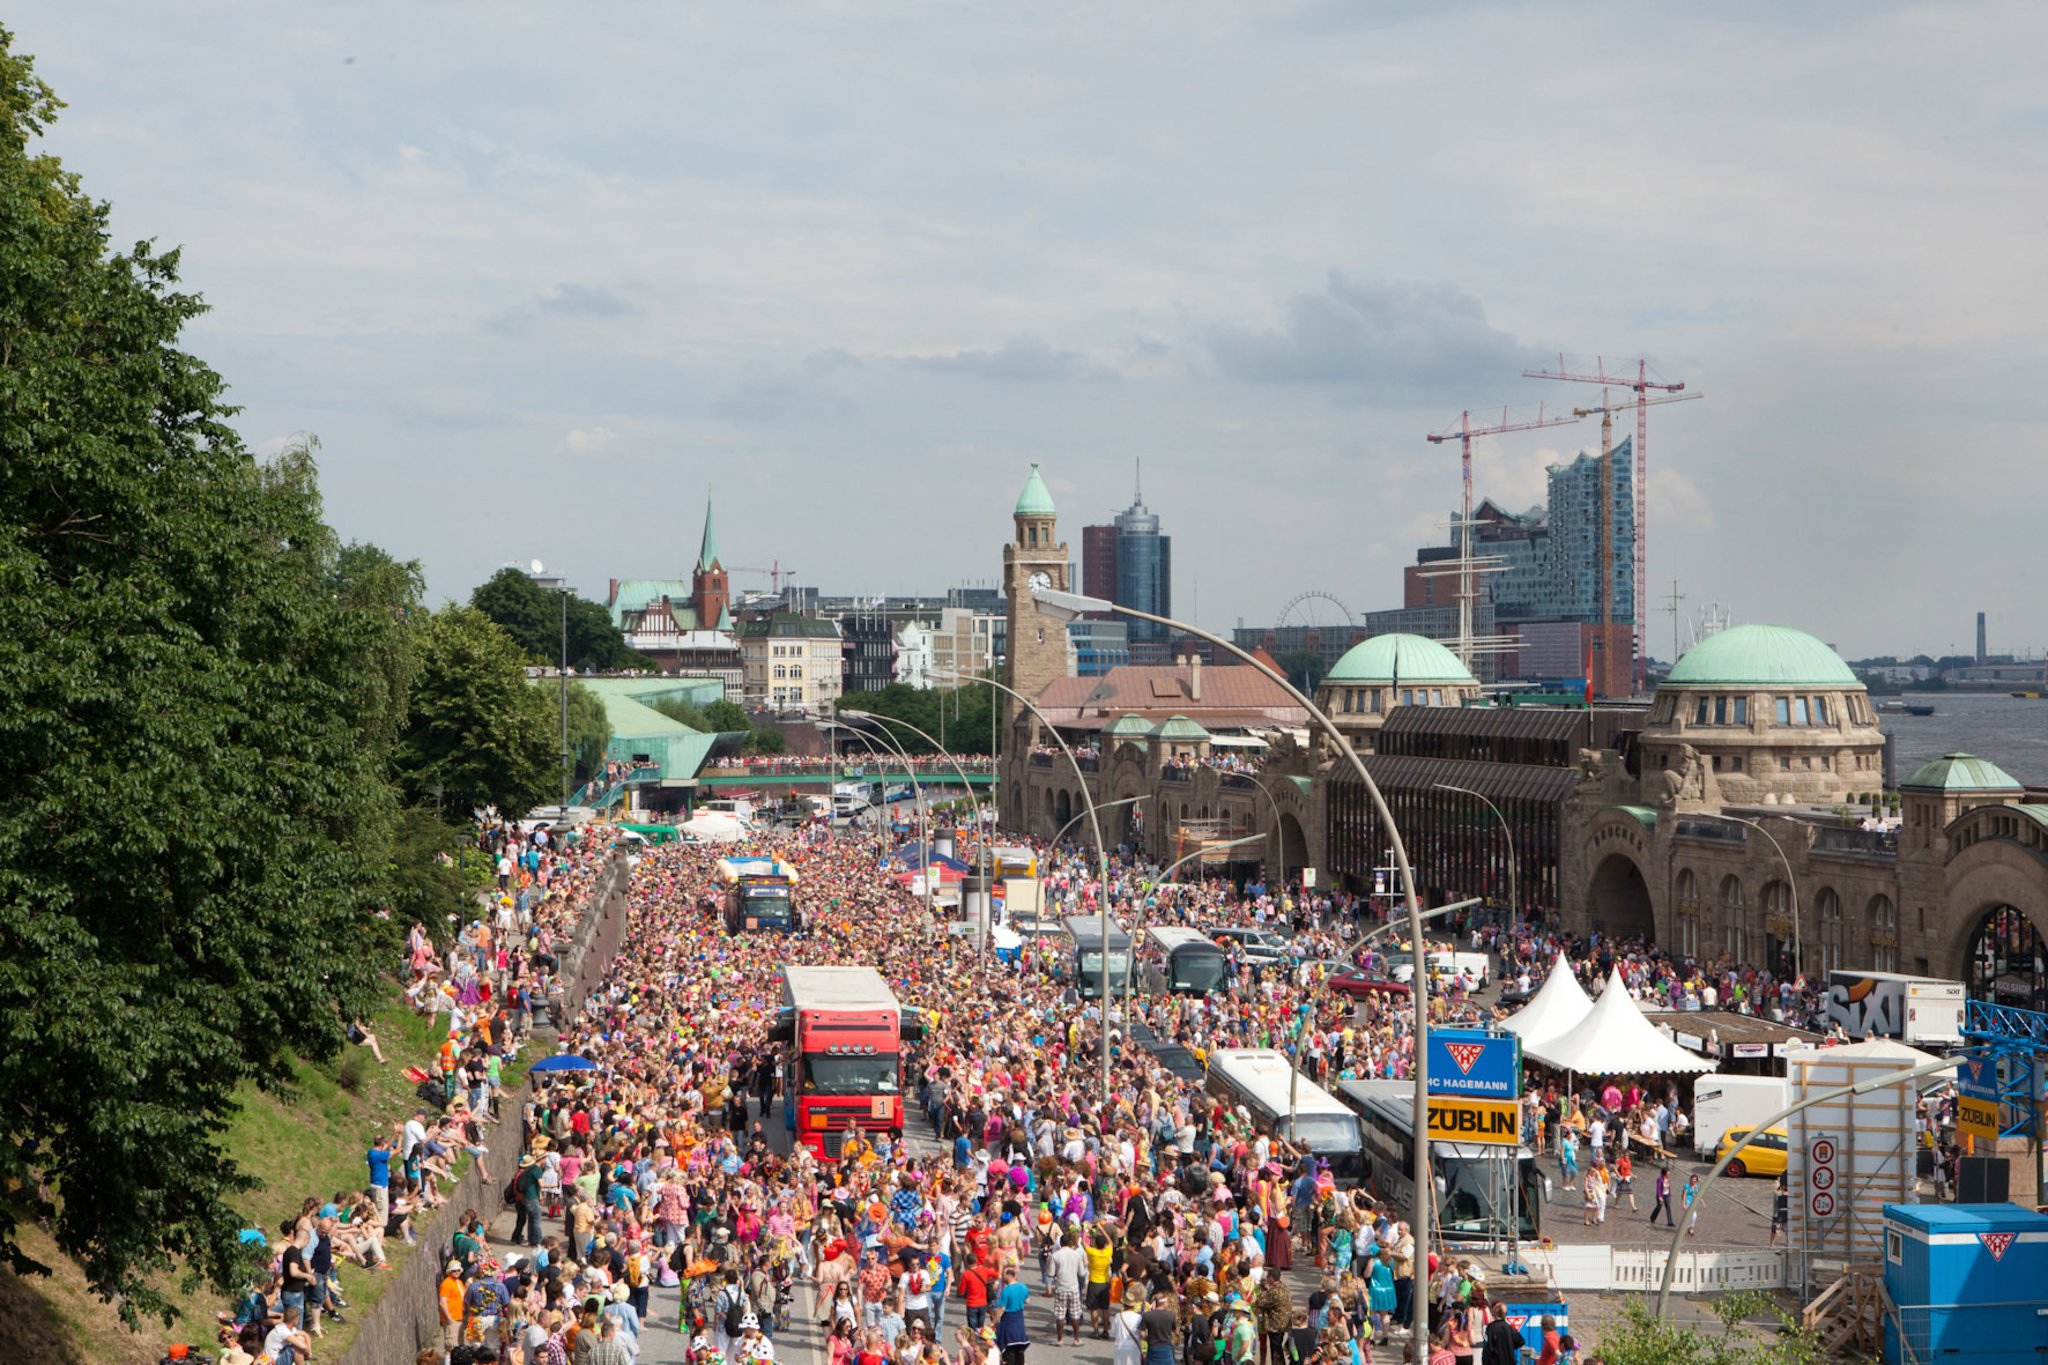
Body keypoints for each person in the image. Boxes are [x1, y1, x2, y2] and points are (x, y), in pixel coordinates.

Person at [1769, 1174, 1789, 1248]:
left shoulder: (1785, 1190)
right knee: (1774, 1229)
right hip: (1777, 1214)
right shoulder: (1777, 1191)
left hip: (1786, 1213)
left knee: (1788, 1230)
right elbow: (1780, 1199)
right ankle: (1771, 1244)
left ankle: (1788, 1243)